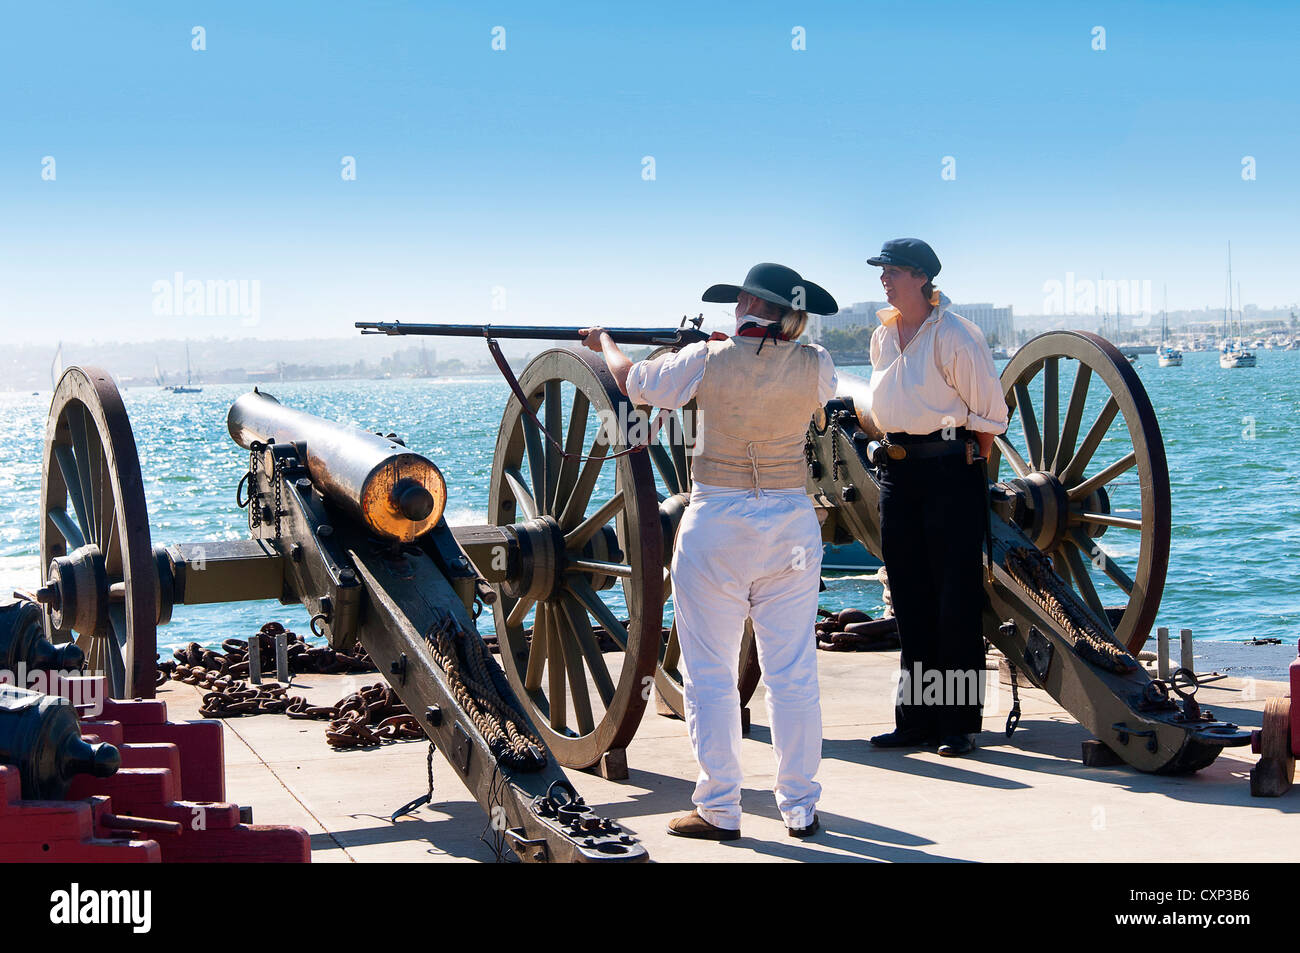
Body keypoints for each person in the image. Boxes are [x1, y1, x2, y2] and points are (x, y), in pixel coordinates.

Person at [579, 262, 838, 840]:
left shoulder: (706, 360)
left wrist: (604, 341)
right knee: (793, 674)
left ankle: (720, 807)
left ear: (747, 302)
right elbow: (807, 385)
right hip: (792, 523)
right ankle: (799, 806)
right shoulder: (817, 366)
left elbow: (631, 381)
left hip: (718, 521)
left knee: (711, 675)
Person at [863, 239, 1008, 757]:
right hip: (897, 475)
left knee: (955, 601)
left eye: (893, 271)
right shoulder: (883, 336)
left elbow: (989, 417)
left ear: (921, 278)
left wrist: (961, 465)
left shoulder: (957, 335)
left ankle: (957, 725)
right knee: (910, 599)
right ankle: (916, 721)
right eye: (882, 271)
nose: (884, 279)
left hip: (949, 471)